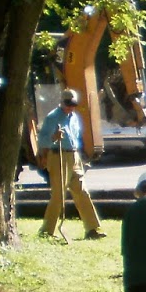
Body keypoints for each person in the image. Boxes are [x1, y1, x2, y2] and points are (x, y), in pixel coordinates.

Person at [36, 89, 105, 241]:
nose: (70, 107)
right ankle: (47, 230)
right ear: (62, 102)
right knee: (59, 195)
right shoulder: (52, 117)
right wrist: (54, 137)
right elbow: (42, 140)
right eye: (68, 104)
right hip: (58, 155)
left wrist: (81, 156)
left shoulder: (74, 117)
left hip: (74, 156)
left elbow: (76, 137)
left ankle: (92, 229)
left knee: (82, 191)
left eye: (73, 105)